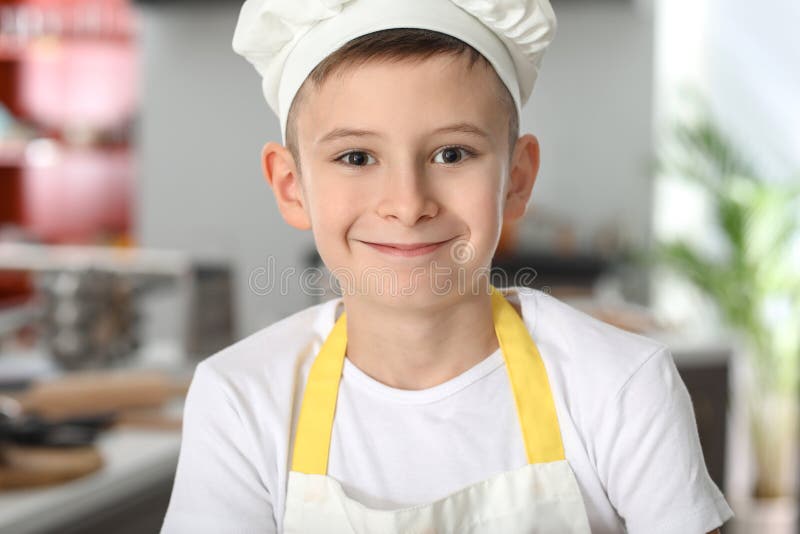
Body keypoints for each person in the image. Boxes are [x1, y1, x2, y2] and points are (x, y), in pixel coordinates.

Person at [162, 1, 734, 532]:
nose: (408, 204)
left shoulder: (621, 387)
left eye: (451, 154)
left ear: (517, 178)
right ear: (292, 187)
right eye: (356, 157)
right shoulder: (240, 400)